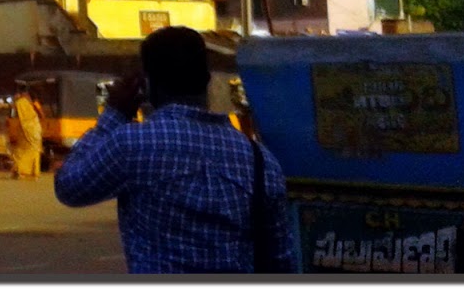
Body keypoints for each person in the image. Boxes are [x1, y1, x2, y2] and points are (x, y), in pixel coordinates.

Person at [54, 26, 295, 274]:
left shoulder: (132, 146)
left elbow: (69, 186)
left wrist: (114, 115)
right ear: (207, 79)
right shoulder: (259, 160)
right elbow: (281, 258)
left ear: (147, 84)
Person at [12, 87, 44, 180]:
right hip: (33, 128)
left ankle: (19, 170)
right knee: (33, 150)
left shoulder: (20, 102)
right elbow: (42, 115)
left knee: (22, 151)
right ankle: (32, 172)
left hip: (25, 129)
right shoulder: (31, 102)